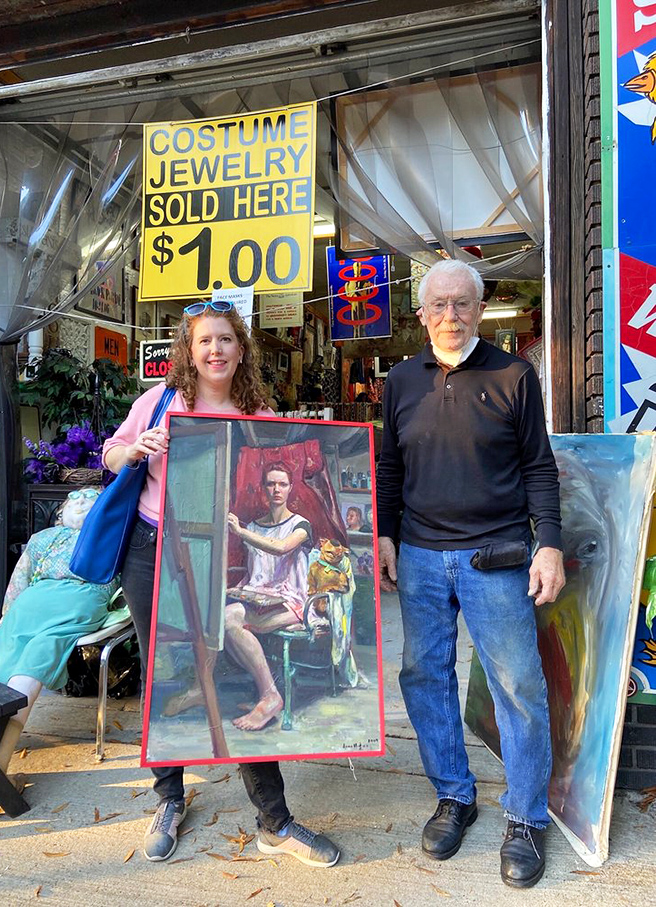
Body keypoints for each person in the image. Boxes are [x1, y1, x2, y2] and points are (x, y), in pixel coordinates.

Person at [103, 300, 340, 868]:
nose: (215, 350)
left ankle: (274, 820)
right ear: (188, 349)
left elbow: (277, 469)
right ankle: (168, 797)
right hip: (151, 545)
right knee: (163, 667)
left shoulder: (255, 409)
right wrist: (135, 450)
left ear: (241, 349)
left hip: (214, 551)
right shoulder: (159, 401)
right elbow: (112, 453)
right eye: (204, 340)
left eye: (226, 340)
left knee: (225, 666)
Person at [376, 260, 565, 889]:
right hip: (423, 557)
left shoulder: (514, 374)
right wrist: (384, 535)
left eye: (463, 304)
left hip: (496, 557)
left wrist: (550, 546)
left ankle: (525, 817)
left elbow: (539, 465)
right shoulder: (400, 381)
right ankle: (455, 795)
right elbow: (388, 468)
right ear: (422, 314)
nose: (451, 316)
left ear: (480, 310)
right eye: (439, 306)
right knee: (423, 676)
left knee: (517, 686)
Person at [0, 488, 117, 820]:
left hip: (77, 600)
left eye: (91, 500)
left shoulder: (110, 535)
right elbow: (19, 581)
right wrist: (2, 623)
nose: (83, 504)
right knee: (1, 674)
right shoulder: (44, 538)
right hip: (29, 606)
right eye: (76, 501)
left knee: (33, 664)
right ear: (60, 513)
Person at [225, 463, 311, 731]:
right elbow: (256, 575)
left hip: (291, 601)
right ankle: (269, 693)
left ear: (291, 488)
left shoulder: (300, 525)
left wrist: (240, 532)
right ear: (263, 487)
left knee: (238, 625)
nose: (277, 489)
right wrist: (238, 590)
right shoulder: (255, 525)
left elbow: (280, 548)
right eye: (271, 484)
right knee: (224, 621)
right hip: (259, 600)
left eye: (282, 484)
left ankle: (270, 697)